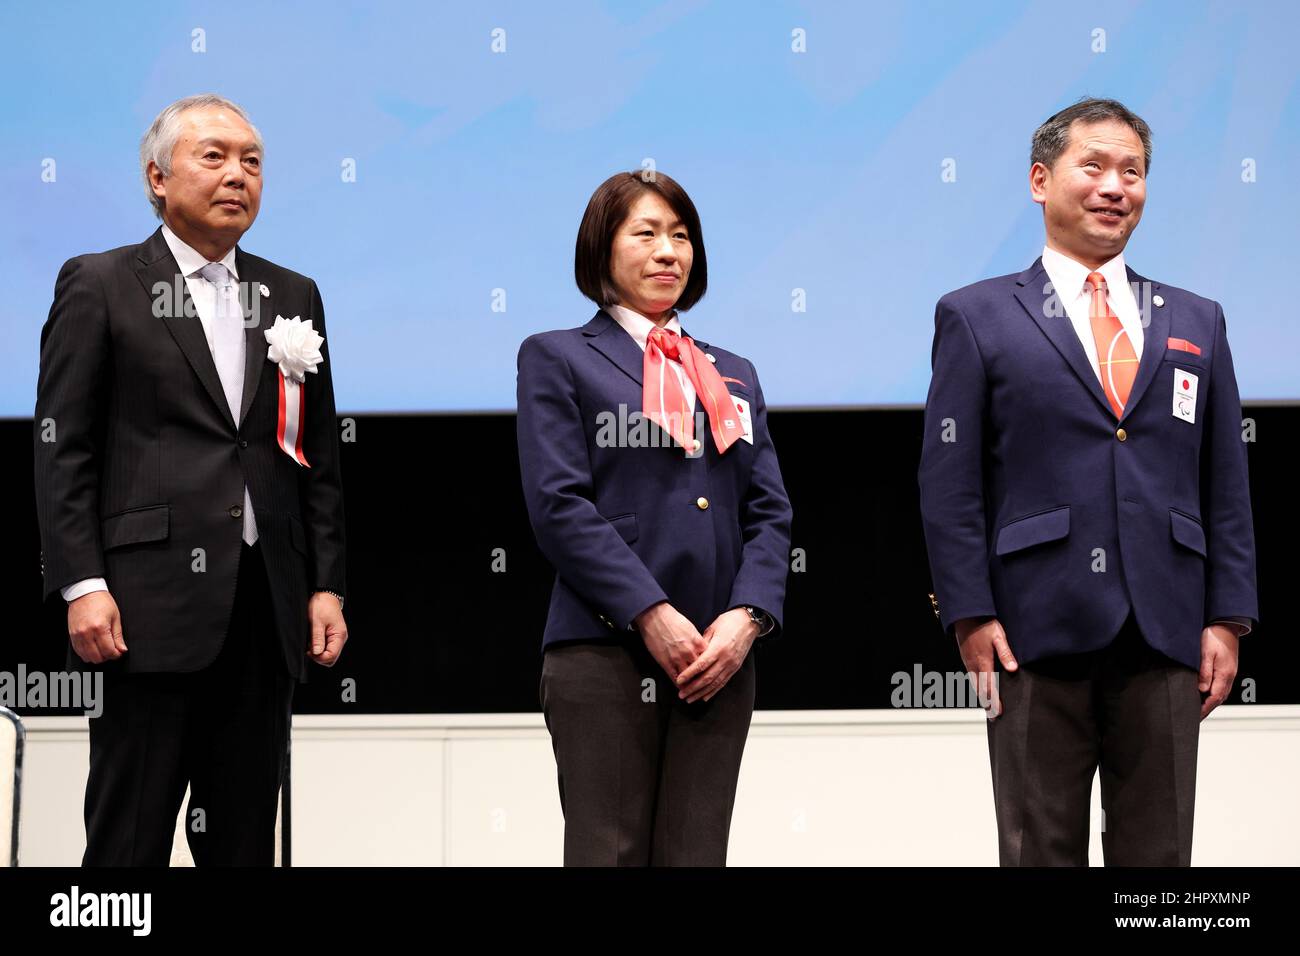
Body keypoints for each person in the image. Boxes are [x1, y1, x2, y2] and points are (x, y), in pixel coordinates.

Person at [918, 97, 1257, 866]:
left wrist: (1227, 618)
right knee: (1040, 849)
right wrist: (969, 610)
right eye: (1094, 166)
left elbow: (1225, 480)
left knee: (1161, 860)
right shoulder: (976, 316)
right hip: (1031, 628)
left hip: (1168, 624)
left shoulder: (1196, 320)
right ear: (1041, 181)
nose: (1115, 186)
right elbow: (950, 481)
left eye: (1132, 172)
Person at [33, 93, 348, 866]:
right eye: (214, 156)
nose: (237, 174)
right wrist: (81, 584)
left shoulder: (292, 295)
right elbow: (61, 447)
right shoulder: (99, 282)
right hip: (141, 611)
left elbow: (317, 456)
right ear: (157, 177)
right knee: (127, 842)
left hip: (263, 608)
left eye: (252, 161)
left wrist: (325, 584)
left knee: (242, 843)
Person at [516, 170, 792, 866]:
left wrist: (746, 618)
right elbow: (559, 506)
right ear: (602, 251)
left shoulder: (732, 370)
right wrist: (650, 612)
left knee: (696, 855)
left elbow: (769, 512)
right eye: (646, 233)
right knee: (607, 853)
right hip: (603, 651)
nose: (669, 251)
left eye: (681, 236)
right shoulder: (558, 356)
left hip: (718, 659)